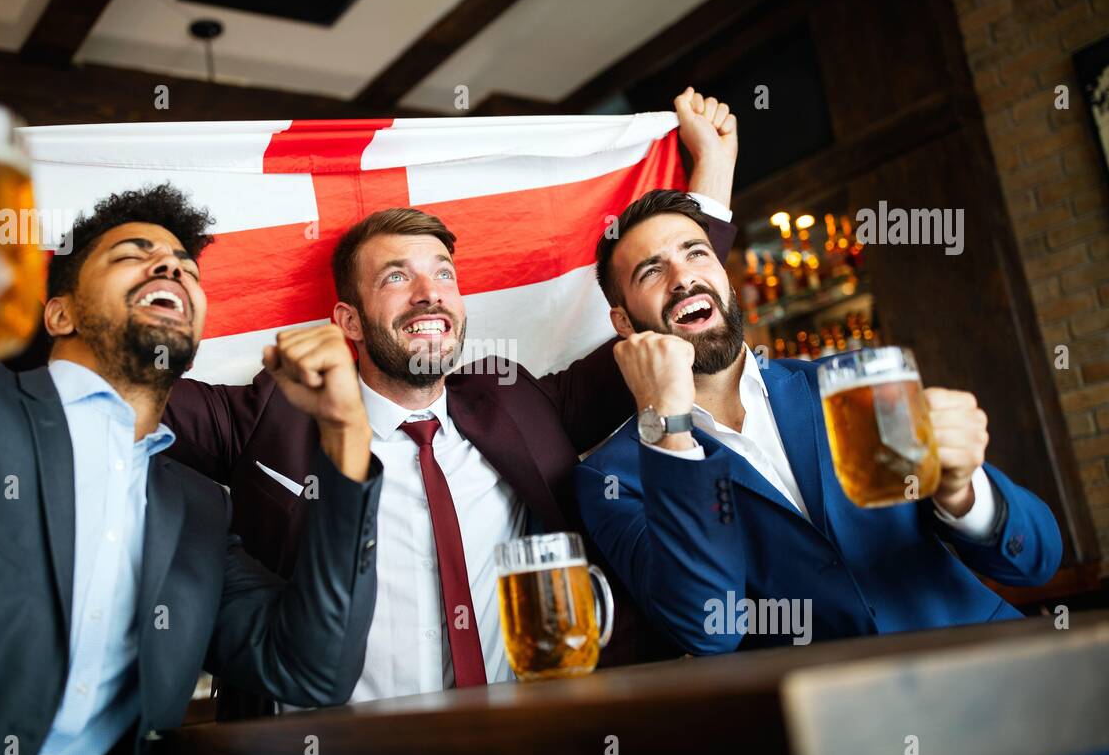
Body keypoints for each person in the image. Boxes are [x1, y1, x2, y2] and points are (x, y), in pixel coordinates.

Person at [163, 89, 740, 712]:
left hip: (521, 753)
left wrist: (712, 170)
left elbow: (668, 321)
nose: (428, 294)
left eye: (443, 274)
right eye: (395, 278)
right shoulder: (271, 411)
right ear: (348, 322)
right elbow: (119, 389)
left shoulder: (514, 398)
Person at [0, 183, 383, 755]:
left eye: (186, 270)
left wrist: (345, 435)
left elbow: (311, 669)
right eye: (132, 254)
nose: (170, 267)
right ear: (61, 313)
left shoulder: (199, 510)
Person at [576, 188, 1062, 654]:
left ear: (723, 275)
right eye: (651, 271)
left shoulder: (851, 384)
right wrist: (667, 420)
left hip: (1000, 670)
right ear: (623, 324)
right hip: (832, 724)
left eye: (697, 253)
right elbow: (707, 626)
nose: (683, 278)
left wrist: (962, 491)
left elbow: (1036, 558)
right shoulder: (611, 477)